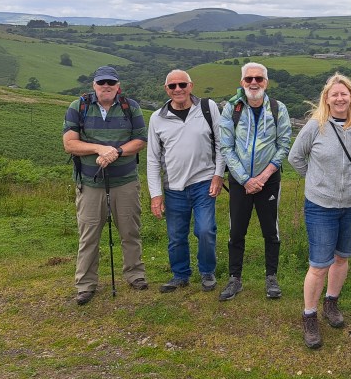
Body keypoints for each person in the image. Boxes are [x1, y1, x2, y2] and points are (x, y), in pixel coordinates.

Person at [288, 73, 351, 349]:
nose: (339, 98)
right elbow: (295, 157)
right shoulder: (315, 126)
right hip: (321, 206)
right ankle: (309, 316)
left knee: (342, 257)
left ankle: (331, 304)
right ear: (326, 98)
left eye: (344, 94)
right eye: (334, 94)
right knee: (319, 264)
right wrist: (315, 180)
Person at [63, 66, 148, 305]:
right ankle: (86, 284)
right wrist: (100, 149)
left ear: (118, 85)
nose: (106, 87)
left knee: (130, 231)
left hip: (126, 182)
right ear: (94, 85)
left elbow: (141, 140)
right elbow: (70, 144)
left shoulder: (130, 107)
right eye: (102, 83)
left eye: (111, 83)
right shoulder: (78, 106)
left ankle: (135, 274)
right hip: (90, 183)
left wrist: (116, 152)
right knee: (89, 235)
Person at [218, 62, 292, 301]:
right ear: (242, 82)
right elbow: (226, 147)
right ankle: (234, 279)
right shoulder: (232, 109)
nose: (253, 83)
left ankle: (271, 277)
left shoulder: (278, 108)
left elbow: (283, 146)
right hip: (241, 182)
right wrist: (245, 179)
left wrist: (262, 177)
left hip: (268, 181)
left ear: (266, 83)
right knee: (236, 230)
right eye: (249, 79)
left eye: (259, 79)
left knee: (270, 231)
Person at [147, 69, 225, 294]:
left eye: (182, 85)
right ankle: (180, 275)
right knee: (176, 236)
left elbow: (221, 145)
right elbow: (153, 158)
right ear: (166, 90)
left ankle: (207, 271)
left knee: (205, 230)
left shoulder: (207, 108)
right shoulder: (157, 118)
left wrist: (218, 175)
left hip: (204, 182)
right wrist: (155, 194)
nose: (178, 89)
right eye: (173, 86)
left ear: (191, 86)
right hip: (173, 187)